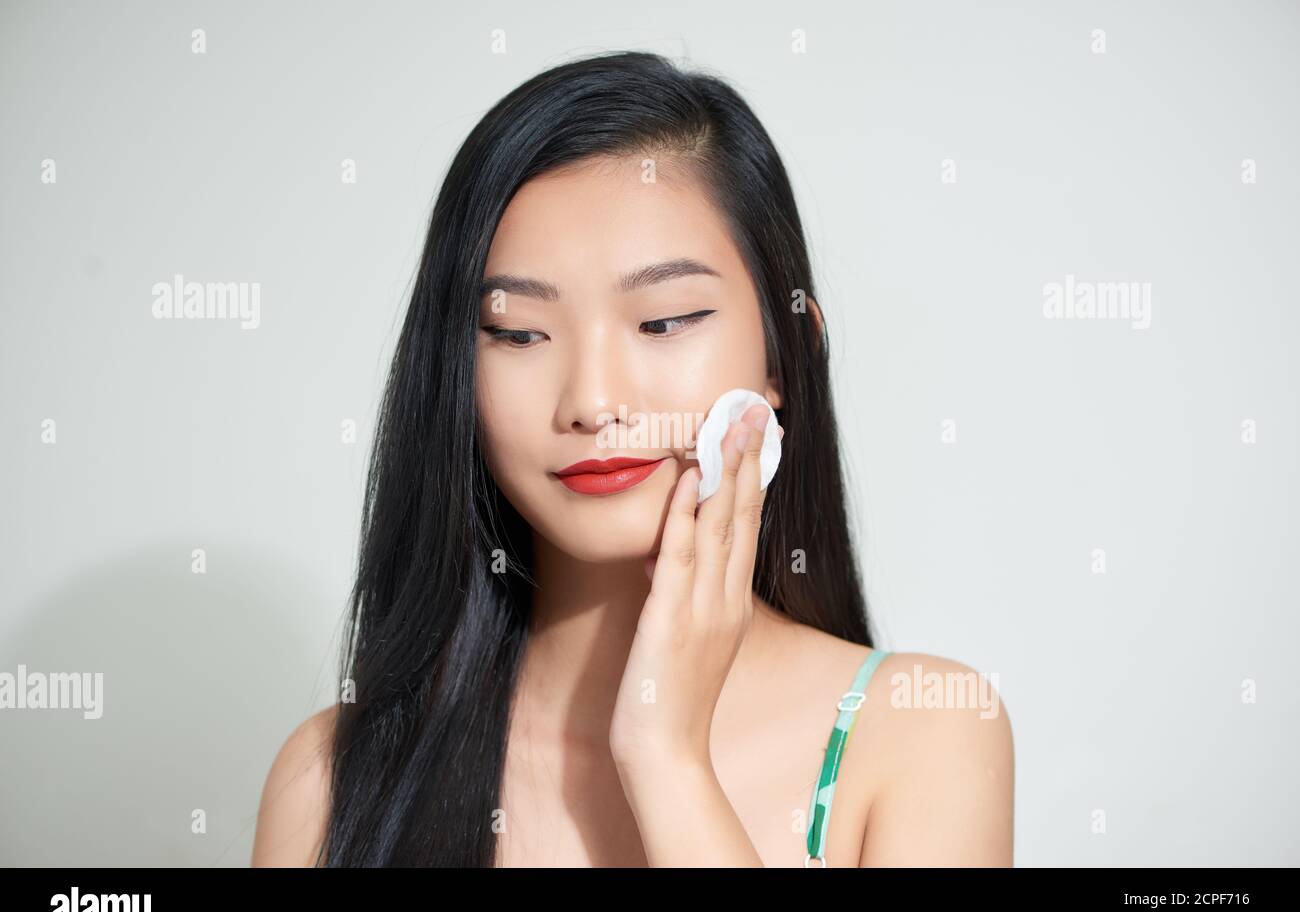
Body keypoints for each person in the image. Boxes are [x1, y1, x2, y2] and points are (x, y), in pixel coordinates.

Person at [252, 50, 1013, 867]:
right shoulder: (331, 781)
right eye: (518, 333)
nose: (590, 399)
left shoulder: (920, 734)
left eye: (663, 320)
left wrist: (667, 757)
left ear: (784, 358)